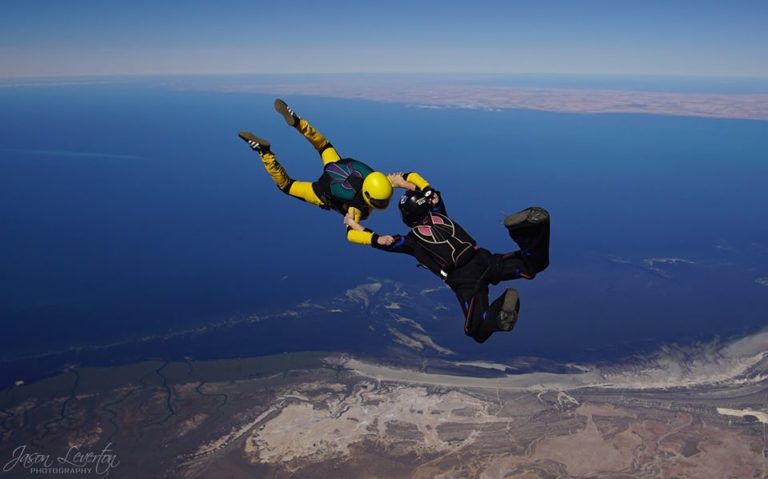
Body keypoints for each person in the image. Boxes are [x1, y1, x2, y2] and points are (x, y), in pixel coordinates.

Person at [348, 177, 550, 343]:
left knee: (476, 330)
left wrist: (351, 225)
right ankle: (527, 229)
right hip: (484, 258)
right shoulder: (439, 212)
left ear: (407, 216)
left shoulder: (411, 241)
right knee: (532, 265)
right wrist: (401, 183)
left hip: (465, 279)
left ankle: (499, 317)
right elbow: (426, 187)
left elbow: (378, 241)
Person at [239, 99, 429, 246]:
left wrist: (425, 189)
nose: (384, 203)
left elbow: (408, 176)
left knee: (322, 145)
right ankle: (264, 152)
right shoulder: (356, 207)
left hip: (337, 166)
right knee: (287, 186)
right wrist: (376, 240)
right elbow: (351, 232)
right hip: (321, 191)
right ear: (368, 196)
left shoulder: (378, 180)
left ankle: (297, 121)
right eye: (380, 201)